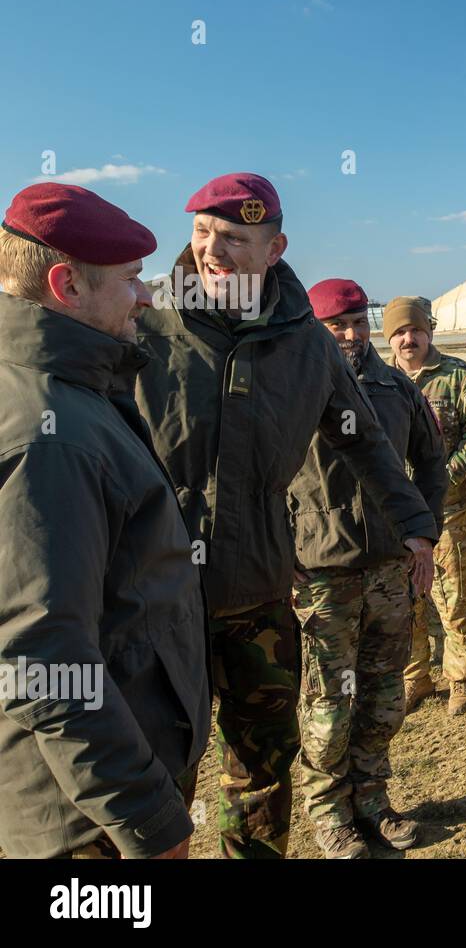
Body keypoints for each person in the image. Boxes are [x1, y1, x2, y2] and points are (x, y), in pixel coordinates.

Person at [133, 173, 438, 859]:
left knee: (265, 765)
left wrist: (414, 520)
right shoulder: (146, 325)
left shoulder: (307, 342)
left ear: (275, 249)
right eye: (203, 233)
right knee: (161, 768)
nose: (214, 251)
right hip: (158, 593)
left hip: (260, 589)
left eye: (236, 239)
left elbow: (362, 437)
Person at [0, 183, 208, 859]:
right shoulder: (48, 435)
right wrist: (147, 819)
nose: (147, 296)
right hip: (89, 825)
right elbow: (42, 656)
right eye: (129, 280)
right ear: (67, 286)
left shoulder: (66, 391)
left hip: (98, 790)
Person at [289, 279, 447, 857]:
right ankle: (330, 812)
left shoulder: (398, 390)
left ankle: (373, 799)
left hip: (389, 569)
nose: (351, 335)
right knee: (328, 703)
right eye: (338, 325)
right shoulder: (292, 391)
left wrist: (422, 534)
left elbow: (432, 465)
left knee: (383, 696)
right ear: (316, 329)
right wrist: (284, 558)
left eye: (358, 322)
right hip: (319, 573)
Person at [388, 296, 466, 717]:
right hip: (393, 516)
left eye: (415, 330)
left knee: (454, 595)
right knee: (404, 598)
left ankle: (461, 679)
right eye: (399, 332)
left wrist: (444, 479)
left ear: (429, 331)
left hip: (447, 509)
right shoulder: (374, 380)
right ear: (388, 337)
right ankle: (416, 676)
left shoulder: (459, 377)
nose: (408, 339)